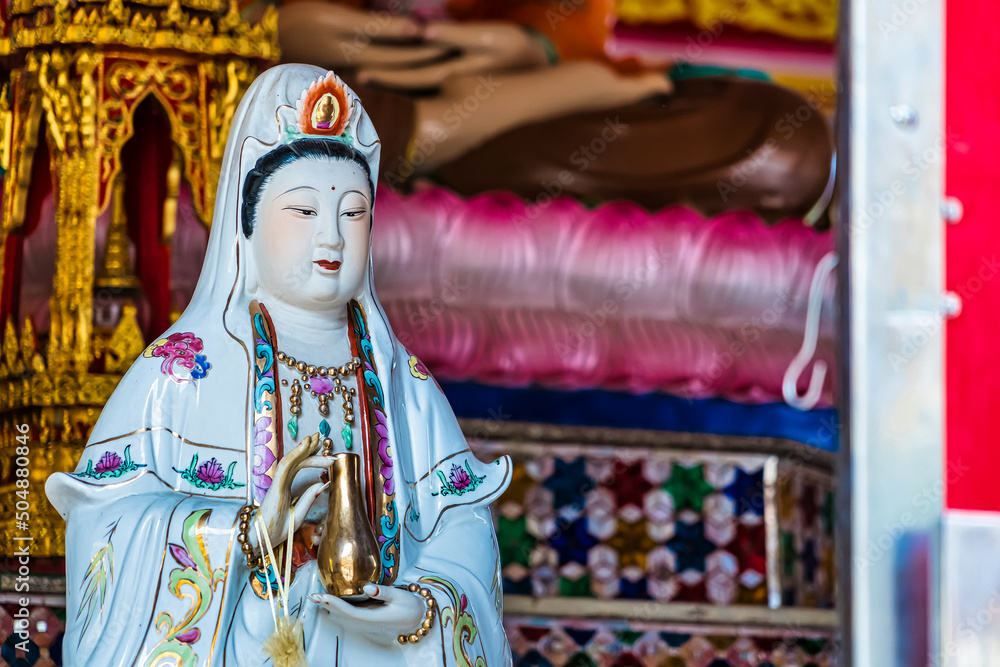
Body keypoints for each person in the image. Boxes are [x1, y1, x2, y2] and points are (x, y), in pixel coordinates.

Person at [45, 64, 512, 666]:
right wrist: (241, 535)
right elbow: (108, 518)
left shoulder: (403, 384)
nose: (333, 240)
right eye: (303, 212)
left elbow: (463, 524)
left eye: (353, 213)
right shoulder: (181, 371)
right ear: (246, 222)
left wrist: (425, 607)